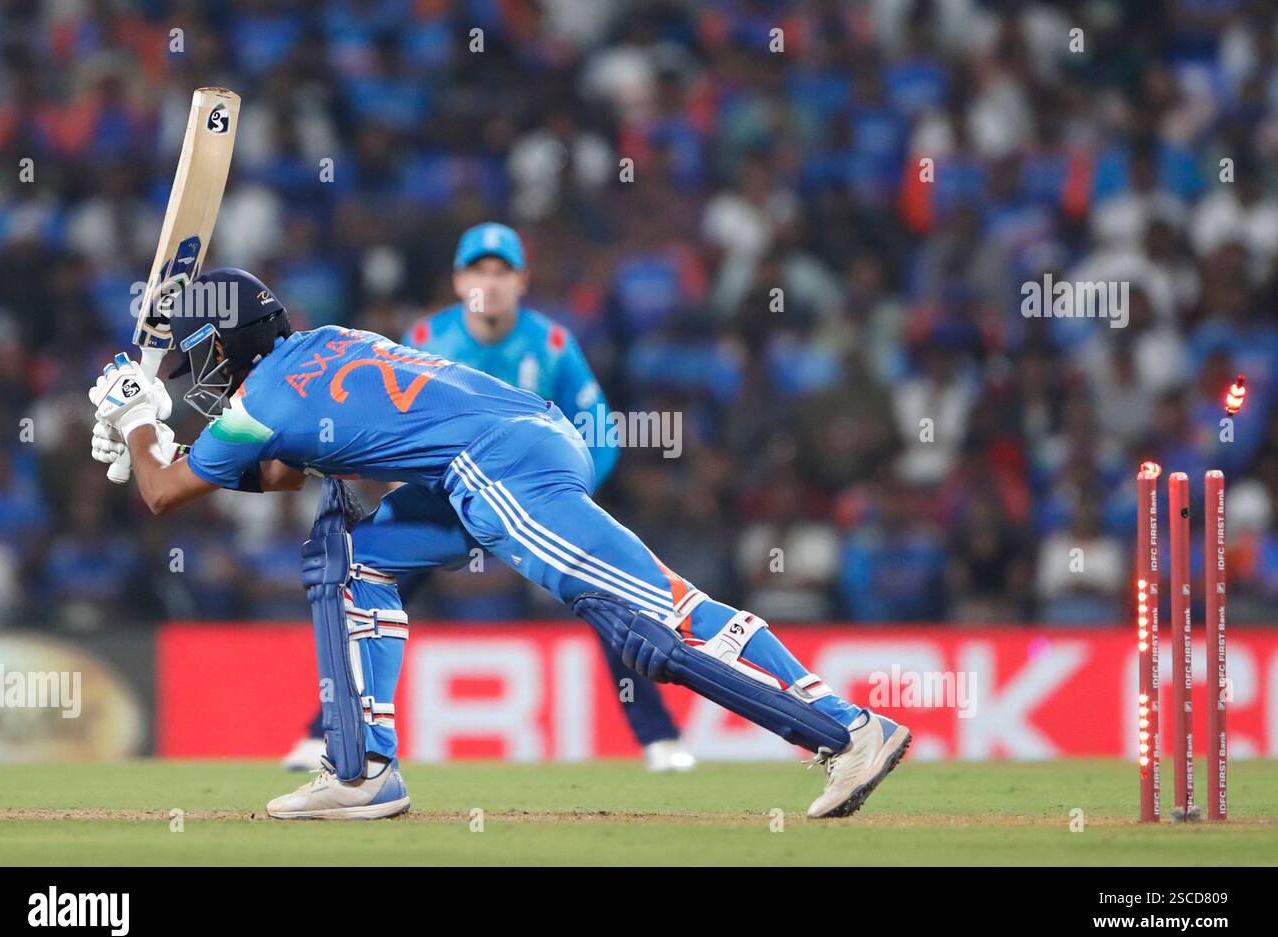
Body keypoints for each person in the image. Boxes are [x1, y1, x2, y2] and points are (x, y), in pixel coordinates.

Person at [89, 268, 911, 820]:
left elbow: (165, 489)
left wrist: (136, 422)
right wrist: (150, 426)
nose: (194, 372)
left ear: (229, 344)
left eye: (197, 354)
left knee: (645, 623)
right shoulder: (320, 348)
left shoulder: (264, 398)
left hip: (497, 467)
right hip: (497, 450)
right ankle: (362, 771)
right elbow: (280, 472)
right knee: (353, 558)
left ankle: (845, 730)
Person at [281, 223, 693, 773]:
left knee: (608, 605)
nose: (490, 282)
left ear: (523, 281)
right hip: (448, 500)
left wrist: (565, 496)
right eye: (479, 270)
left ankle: (659, 739)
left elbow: (599, 429)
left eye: (502, 271)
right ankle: (325, 731)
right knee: (361, 573)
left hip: (532, 503)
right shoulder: (426, 338)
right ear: (458, 279)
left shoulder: (551, 344)